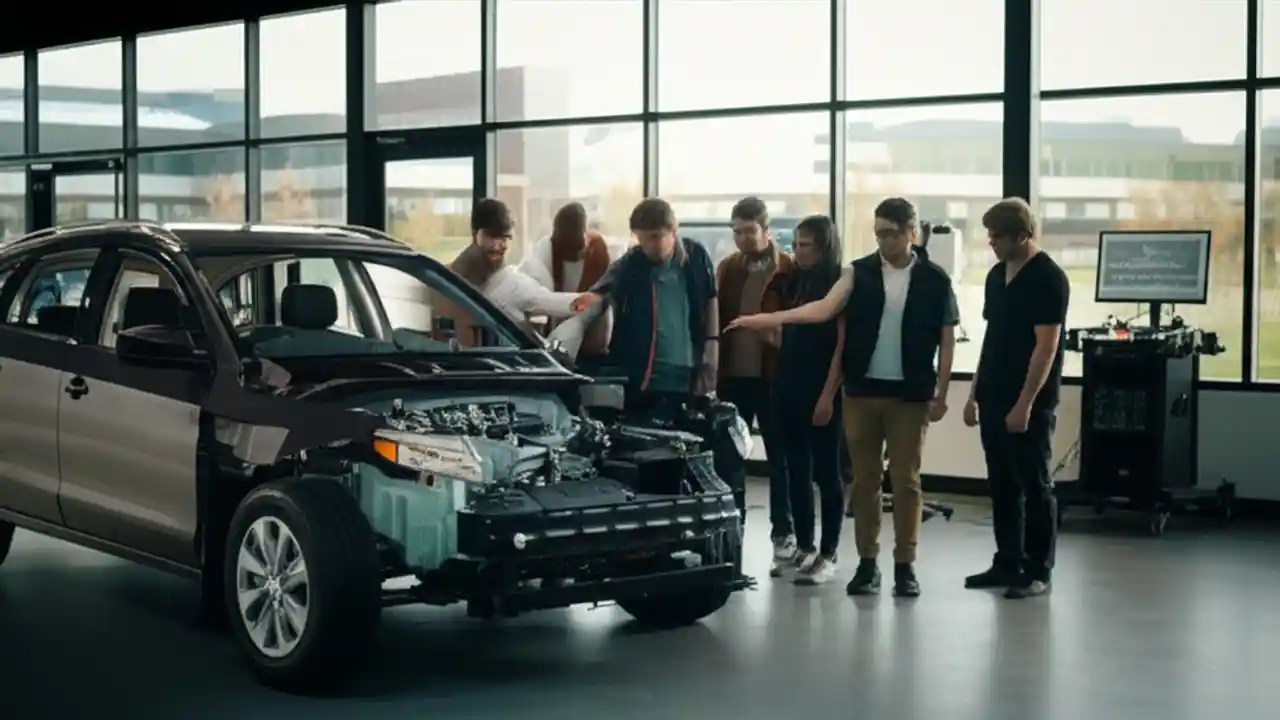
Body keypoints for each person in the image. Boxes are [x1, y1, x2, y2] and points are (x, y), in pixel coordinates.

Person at [728, 197, 958, 598]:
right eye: (878, 233)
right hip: (862, 390)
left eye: (892, 233)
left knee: (905, 481)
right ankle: (866, 565)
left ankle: (905, 566)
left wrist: (941, 393)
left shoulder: (935, 279)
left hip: (909, 394)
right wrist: (768, 319)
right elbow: (823, 309)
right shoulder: (859, 272)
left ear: (912, 232)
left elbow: (947, 336)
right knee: (865, 482)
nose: (884, 241)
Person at [963, 197, 1069, 600]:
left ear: (1022, 235)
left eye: (998, 236)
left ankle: (1038, 568)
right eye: (989, 235)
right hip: (993, 392)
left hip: (1031, 401)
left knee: (1034, 483)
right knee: (1002, 482)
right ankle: (1007, 560)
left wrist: (1025, 403)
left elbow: (1046, 347)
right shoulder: (996, 276)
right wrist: (974, 393)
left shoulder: (1048, 278)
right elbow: (991, 338)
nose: (991, 242)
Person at [714, 197, 795, 570]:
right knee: (731, 458)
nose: (743, 238)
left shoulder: (788, 269)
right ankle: (735, 526)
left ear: (766, 229)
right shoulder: (728, 268)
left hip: (774, 376)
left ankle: (784, 532)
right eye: (736, 232)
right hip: (734, 377)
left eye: (749, 231)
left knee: (781, 458)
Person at [768, 214, 846, 585]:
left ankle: (829, 552)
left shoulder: (838, 285)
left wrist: (828, 395)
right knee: (796, 468)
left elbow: (842, 347)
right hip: (790, 384)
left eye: (805, 245)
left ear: (824, 247)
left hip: (822, 389)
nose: (797, 252)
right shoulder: (796, 280)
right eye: (795, 244)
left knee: (827, 472)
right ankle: (804, 544)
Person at [449, 198, 588, 326]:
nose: (498, 245)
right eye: (491, 236)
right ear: (475, 234)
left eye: (505, 238)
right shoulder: (446, 280)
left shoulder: (516, 285)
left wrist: (593, 301)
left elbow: (560, 303)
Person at [520, 202, 619, 366]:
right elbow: (541, 298)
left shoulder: (599, 251)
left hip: (589, 322)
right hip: (555, 317)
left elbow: (601, 298)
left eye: (580, 248)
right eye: (572, 251)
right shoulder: (544, 253)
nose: (577, 255)